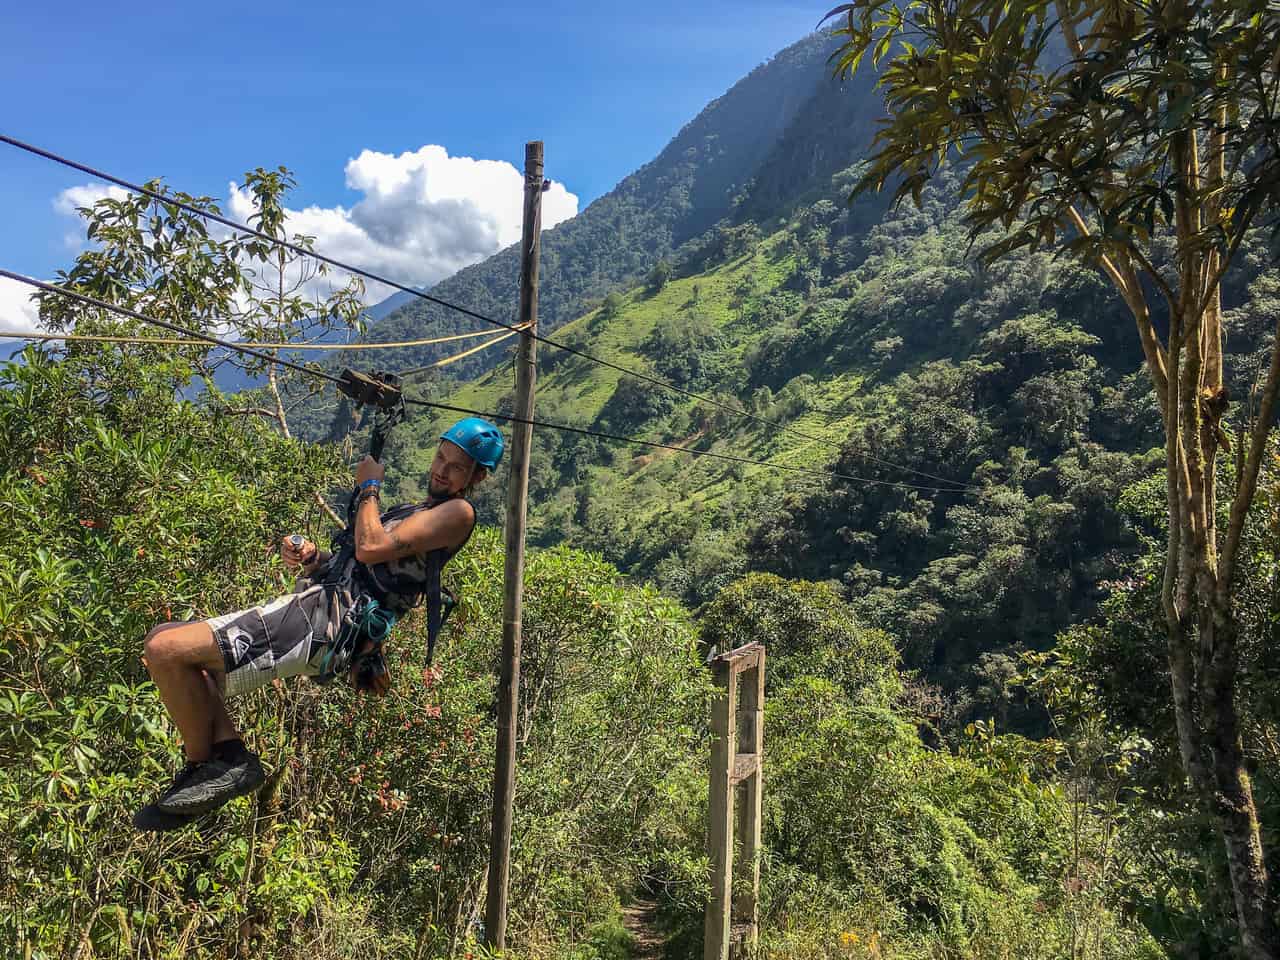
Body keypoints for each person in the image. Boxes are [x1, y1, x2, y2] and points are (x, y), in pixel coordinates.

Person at [133, 418, 504, 831]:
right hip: (320, 605)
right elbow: (366, 565)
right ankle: (225, 757)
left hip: (327, 619)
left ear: (477, 476)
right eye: (441, 456)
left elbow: (370, 547)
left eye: (456, 466)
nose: (441, 469)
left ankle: (210, 765)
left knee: (165, 652)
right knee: (163, 639)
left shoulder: (459, 513)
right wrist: (314, 558)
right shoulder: (421, 511)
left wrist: (369, 486)